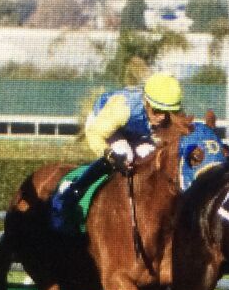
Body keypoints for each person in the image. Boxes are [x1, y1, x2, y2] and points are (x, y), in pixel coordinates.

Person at [54, 72, 184, 208]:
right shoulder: (124, 109)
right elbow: (95, 134)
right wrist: (110, 155)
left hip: (135, 133)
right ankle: (73, 189)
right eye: (157, 111)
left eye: (168, 112)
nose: (162, 117)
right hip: (100, 127)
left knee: (150, 154)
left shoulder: (173, 114)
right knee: (125, 155)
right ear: (146, 102)